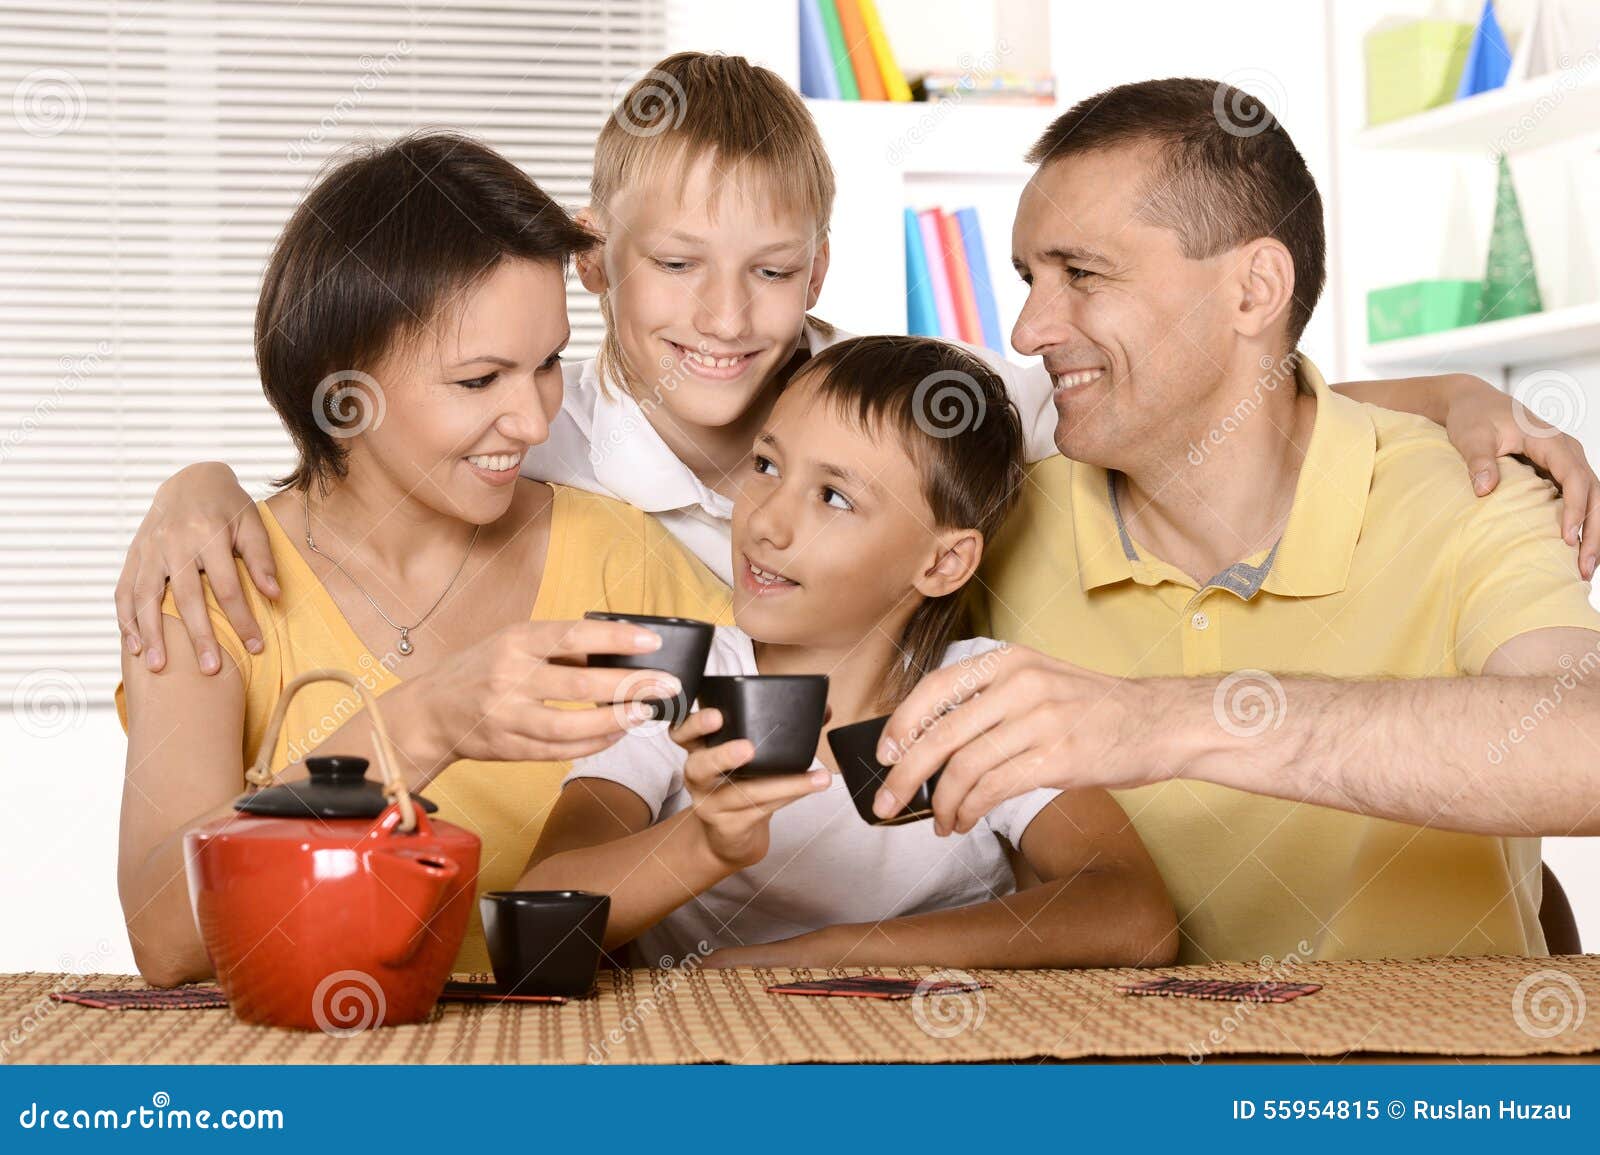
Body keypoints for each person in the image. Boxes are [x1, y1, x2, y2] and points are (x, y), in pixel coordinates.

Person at [115, 53, 1600, 672]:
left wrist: (1454, 396)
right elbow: (367, 482)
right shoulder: (539, 450)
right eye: (675, 265)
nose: (725, 315)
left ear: (818, 272)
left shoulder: (914, 412)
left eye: (771, 271)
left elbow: (1162, 393)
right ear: (595, 265)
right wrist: (197, 483)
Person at [870, 78, 1600, 964]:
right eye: (1029, 278)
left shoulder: (1467, 492)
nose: (1027, 330)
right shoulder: (997, 513)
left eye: (1083, 274)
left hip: (1419, 1094)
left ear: (1254, 289)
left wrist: (1163, 720)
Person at [115, 133, 729, 986]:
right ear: (344, 391)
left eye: (548, 364)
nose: (533, 420)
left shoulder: (615, 553)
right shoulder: (211, 582)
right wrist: (425, 721)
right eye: (479, 381)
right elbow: (162, 936)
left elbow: (814, 723)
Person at [520, 336, 1177, 970]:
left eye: (833, 496)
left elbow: (1133, 915)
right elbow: (536, 927)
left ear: (943, 561)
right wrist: (704, 842)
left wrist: (838, 951)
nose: (766, 522)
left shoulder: (982, 699)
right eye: (766, 466)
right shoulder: (672, 673)